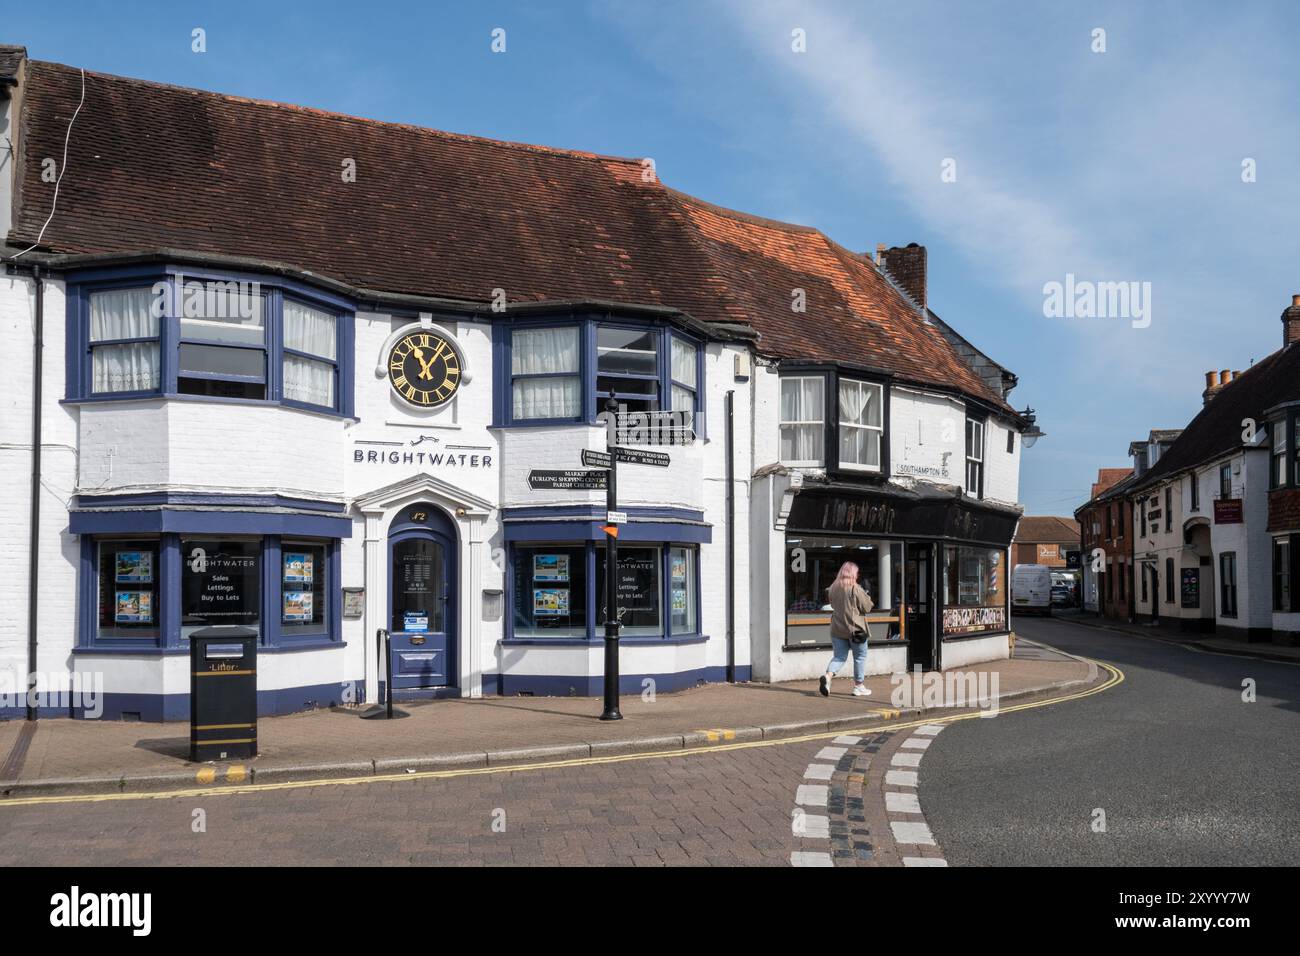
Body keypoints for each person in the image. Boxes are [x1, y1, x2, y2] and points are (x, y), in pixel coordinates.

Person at [820, 561, 874, 698]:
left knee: (839, 657)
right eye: (857, 573)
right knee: (860, 657)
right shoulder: (855, 588)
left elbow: (833, 604)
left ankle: (828, 676)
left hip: (837, 628)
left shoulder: (833, 588)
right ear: (853, 574)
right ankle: (858, 686)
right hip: (856, 629)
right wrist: (867, 593)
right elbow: (868, 607)